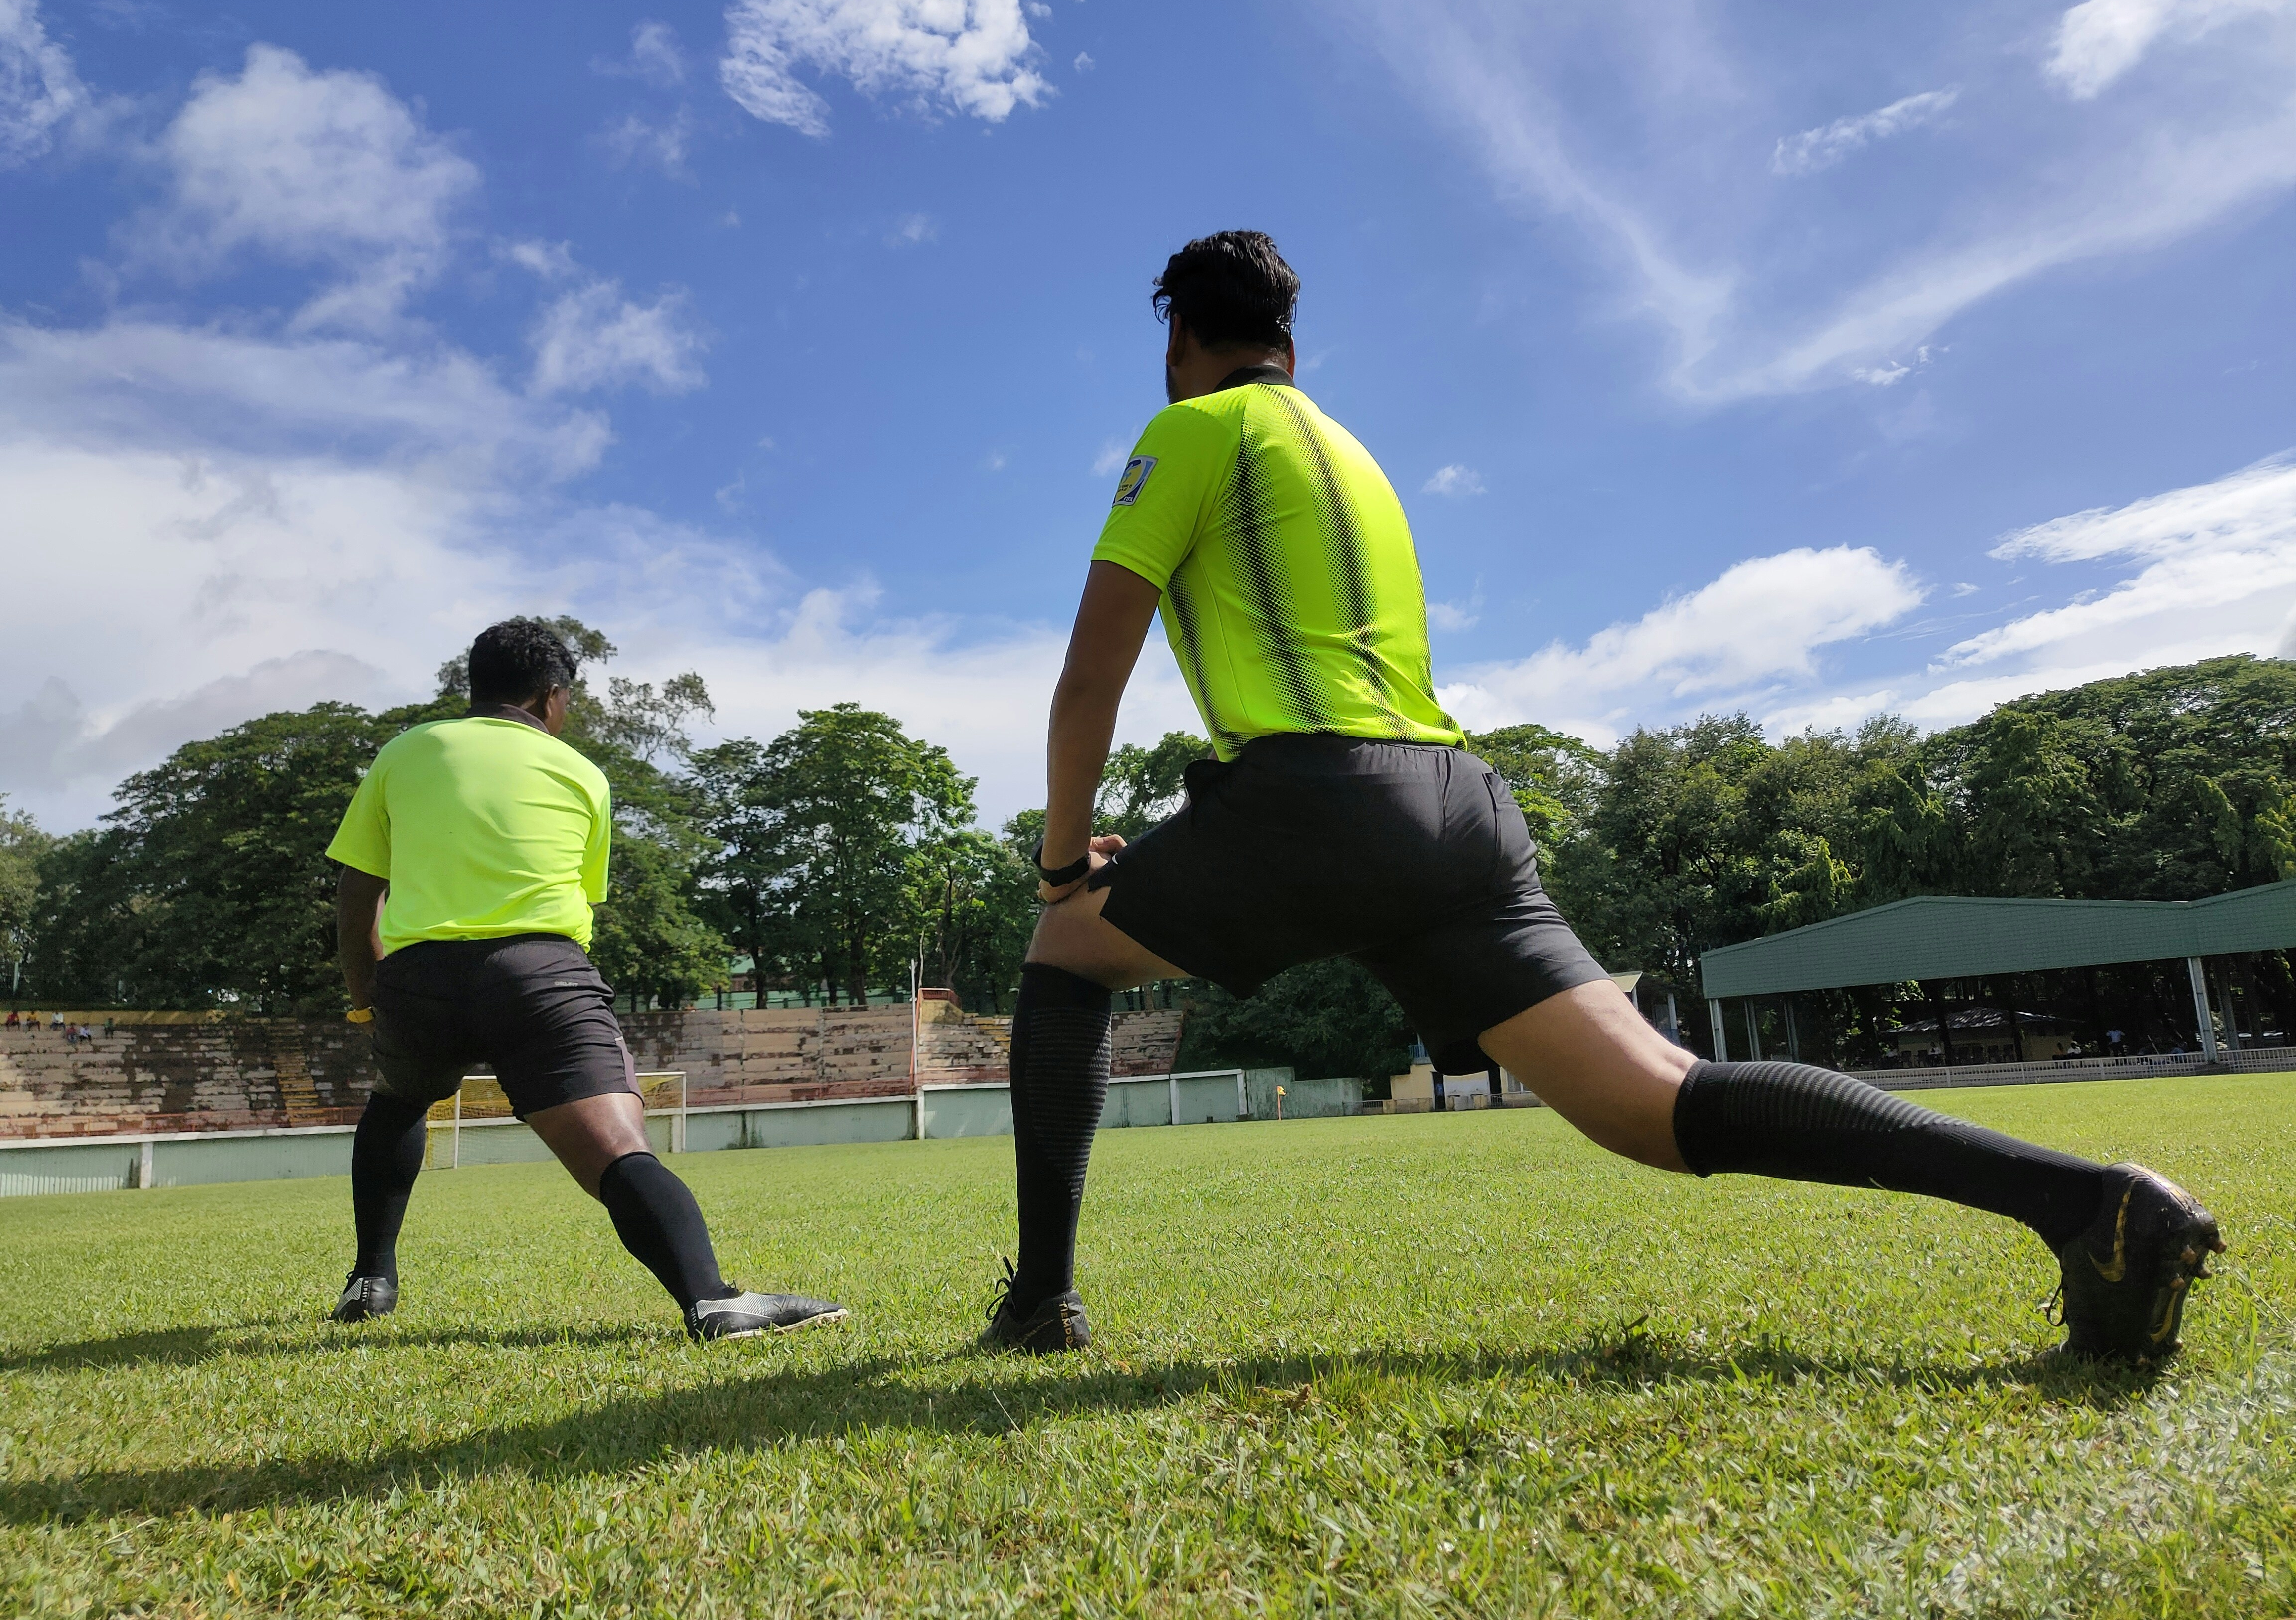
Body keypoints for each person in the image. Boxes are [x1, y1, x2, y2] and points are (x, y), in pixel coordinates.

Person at [978, 229, 2224, 1364]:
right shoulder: (1353, 458)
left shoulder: (1194, 429)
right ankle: (2090, 1207)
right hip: (1460, 805)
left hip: (1324, 793)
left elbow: (1090, 680)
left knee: (1066, 947)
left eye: (1172, 349)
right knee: (1658, 1101)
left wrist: (1058, 867)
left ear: (1181, 345)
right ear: (1292, 347)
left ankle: (1044, 1299)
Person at [325, 618, 844, 1340]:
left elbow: (358, 890)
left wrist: (365, 999)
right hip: (538, 974)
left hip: (418, 978)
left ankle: (370, 1280)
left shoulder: (405, 752)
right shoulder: (581, 774)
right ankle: (710, 1298)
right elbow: (580, 895)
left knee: (397, 1101)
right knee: (617, 1149)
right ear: (549, 697)